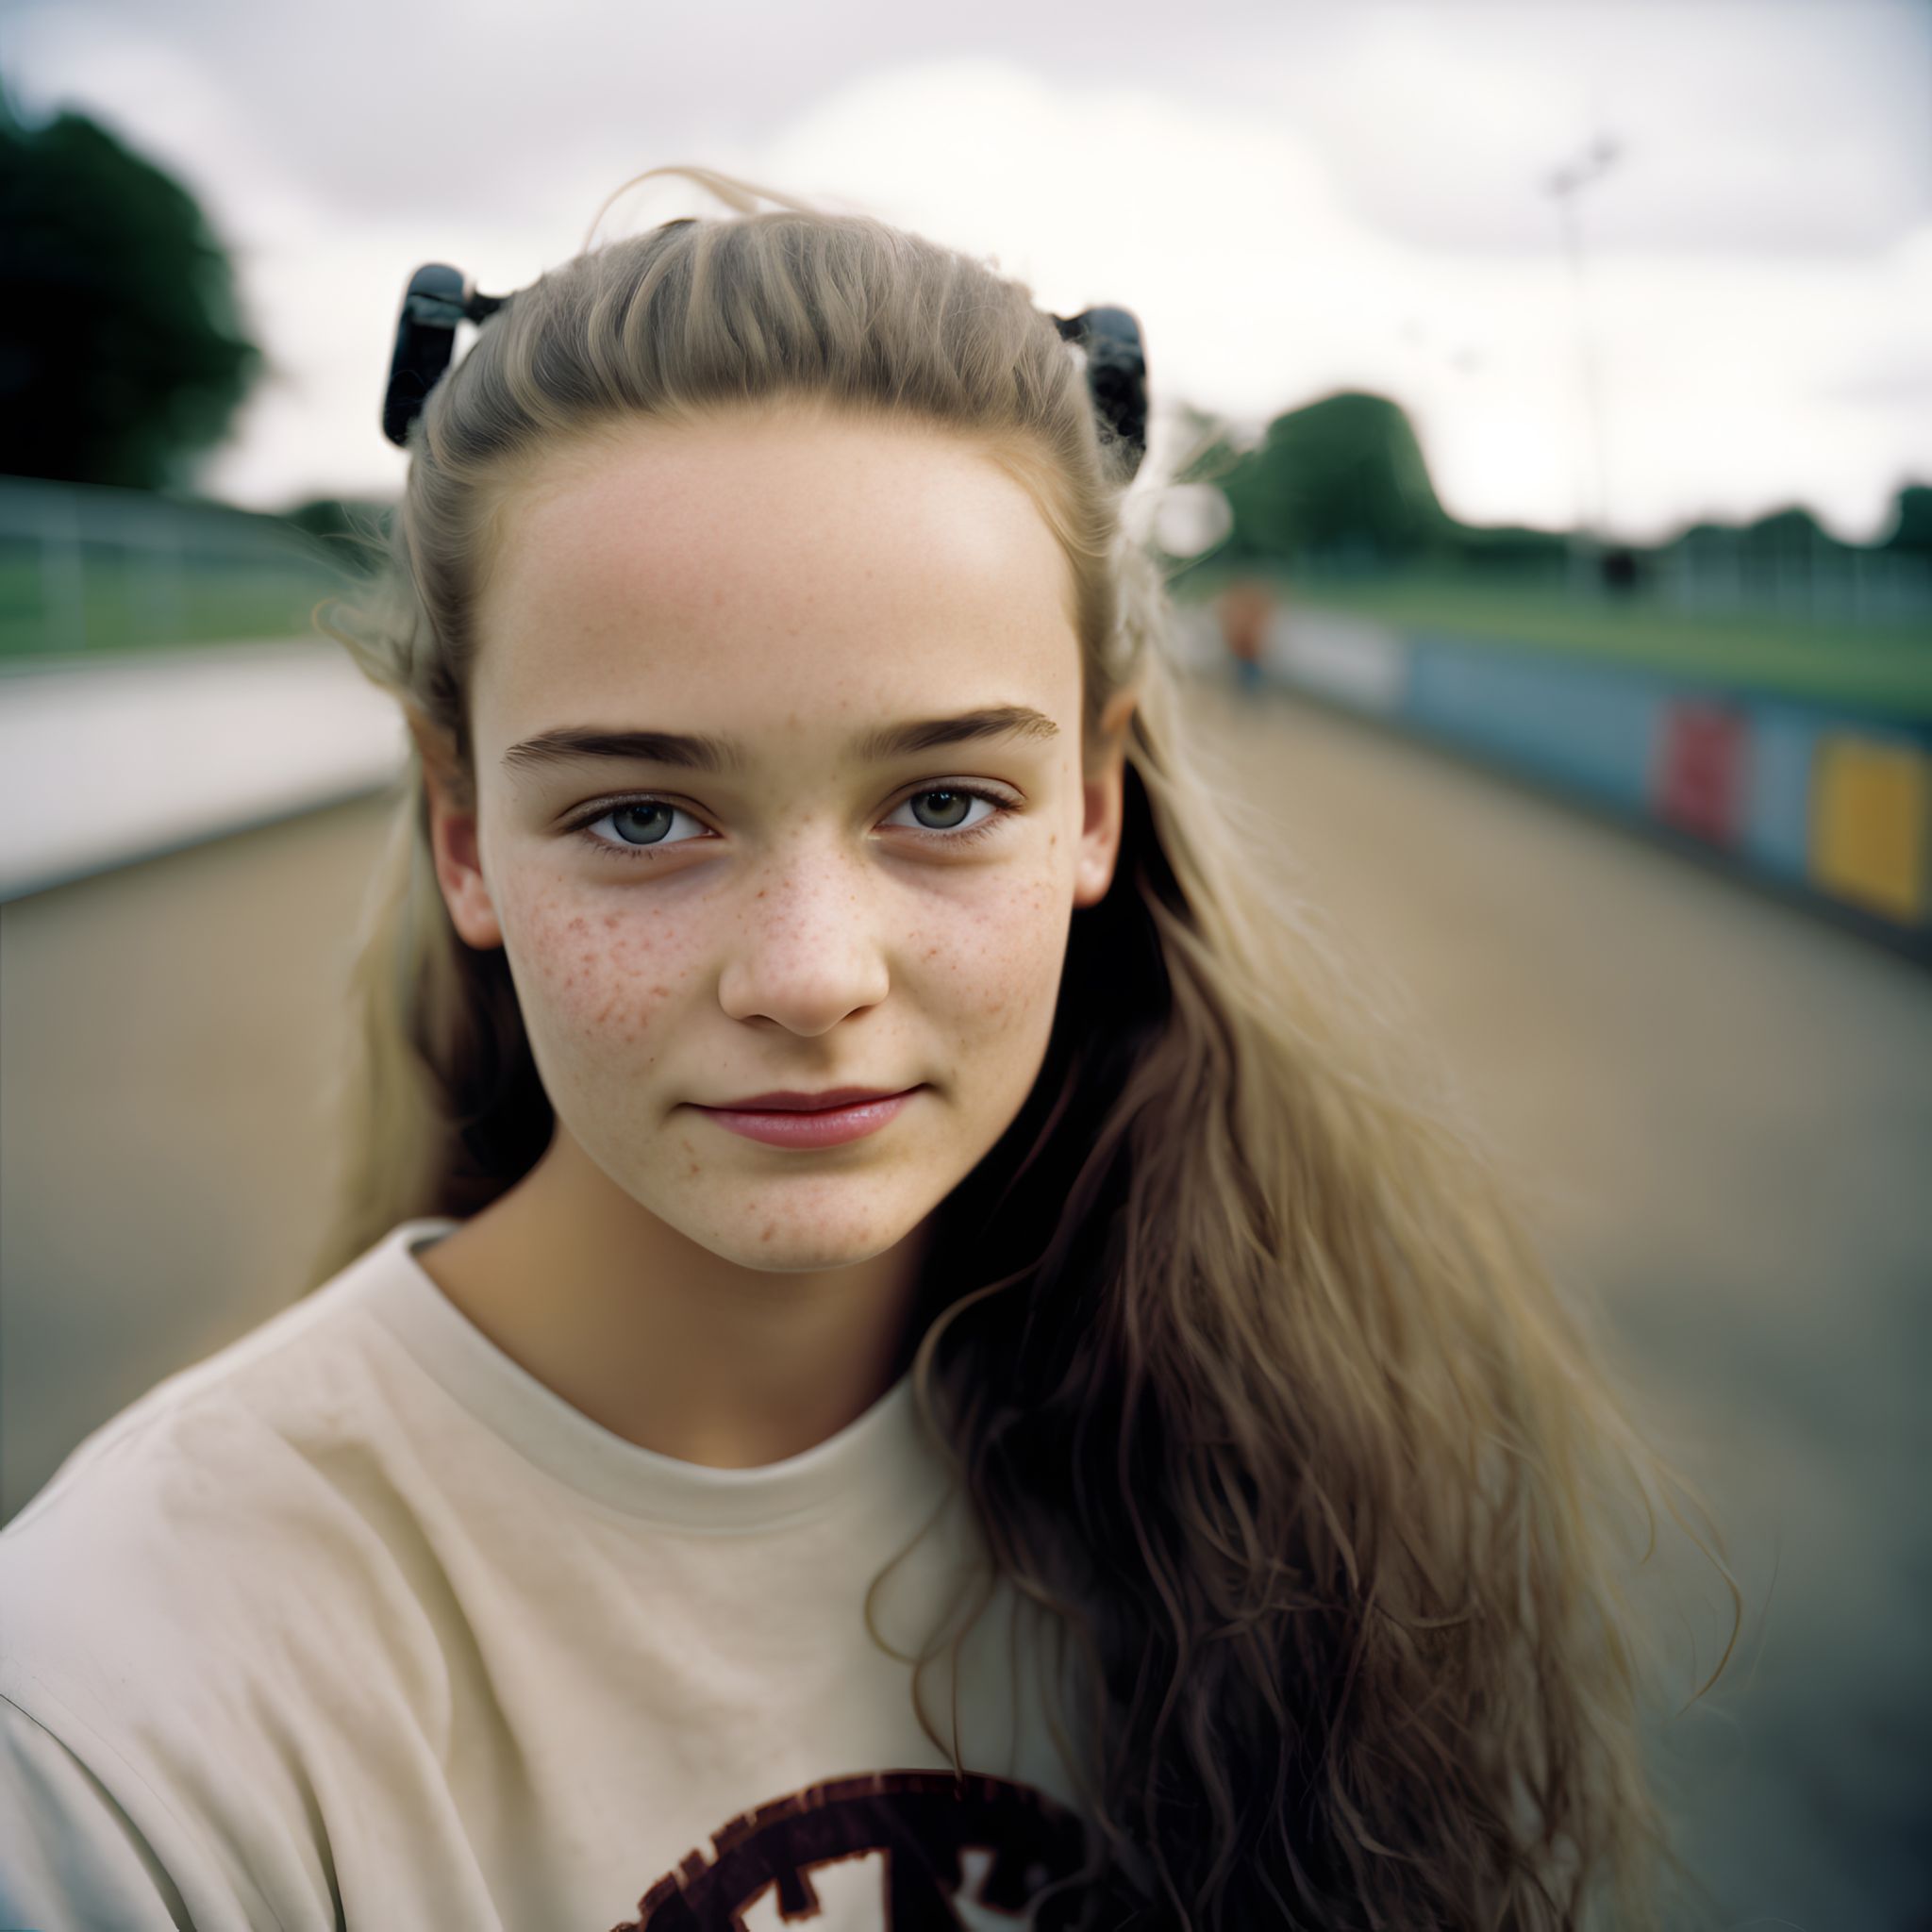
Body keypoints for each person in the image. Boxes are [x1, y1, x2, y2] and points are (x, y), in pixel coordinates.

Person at [0, 166, 1736, 1931]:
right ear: (463, 836)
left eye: (944, 798)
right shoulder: (112, 1718)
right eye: (640, 818)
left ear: (1094, 801)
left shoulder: (1306, 1482)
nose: (812, 978)